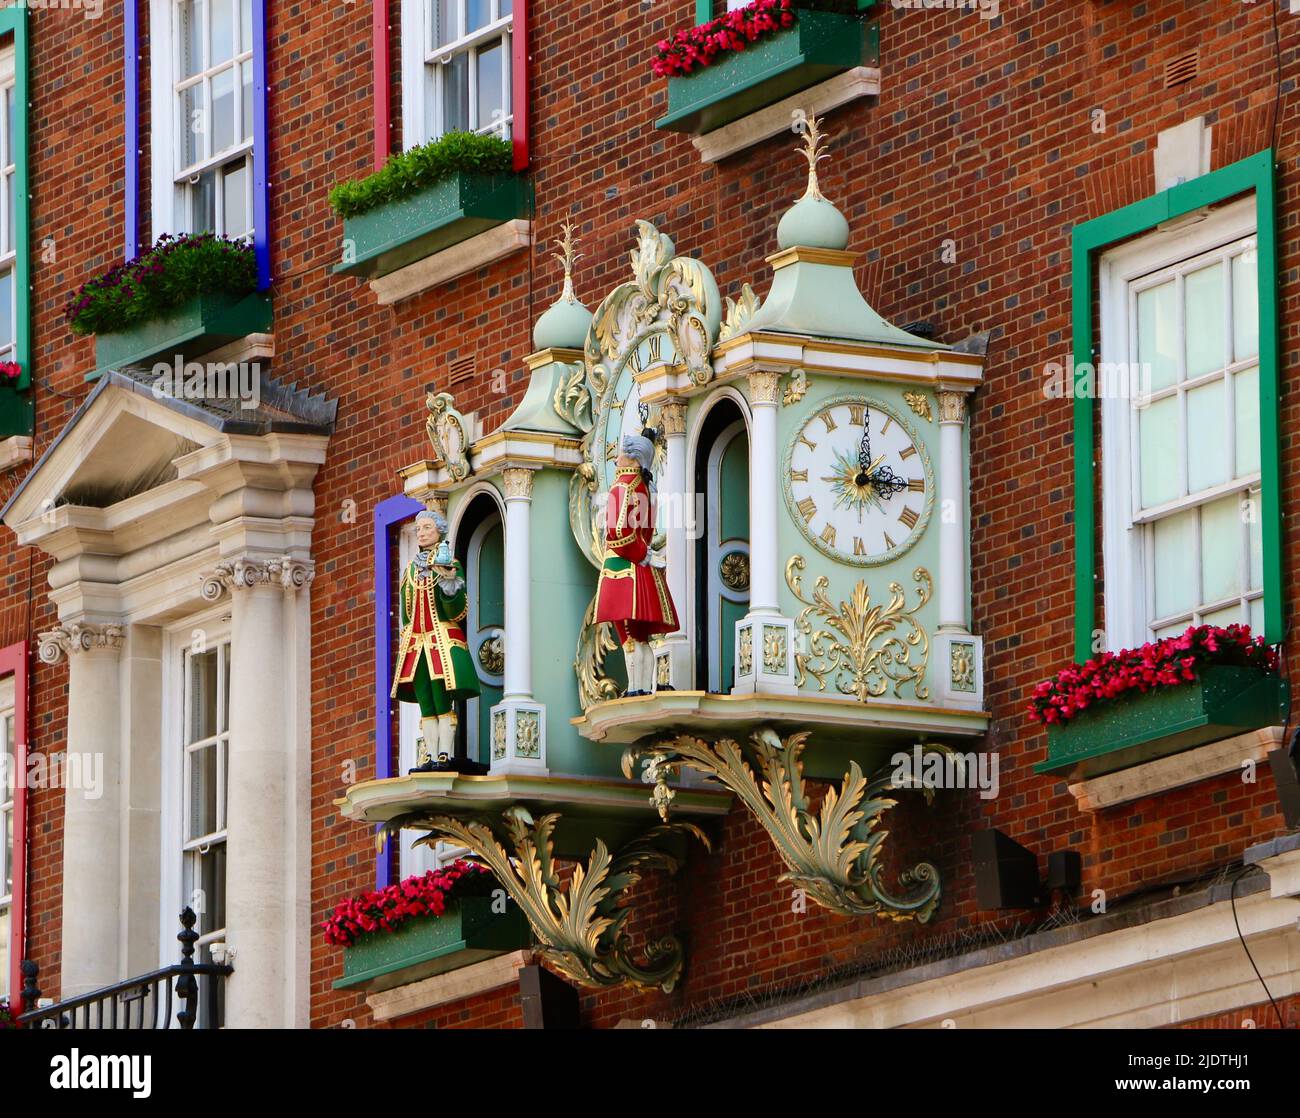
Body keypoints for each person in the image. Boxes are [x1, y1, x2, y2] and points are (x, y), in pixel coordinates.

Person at [391, 508, 483, 771]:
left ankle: (445, 753)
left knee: (443, 700)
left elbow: (458, 610)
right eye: (419, 529)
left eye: (427, 528)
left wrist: (450, 585)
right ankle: (430, 755)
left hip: (442, 642)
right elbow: (406, 614)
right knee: (426, 702)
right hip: (416, 645)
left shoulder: (448, 564)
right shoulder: (410, 570)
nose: (421, 533)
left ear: (439, 531)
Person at [594, 430, 678, 697]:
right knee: (642, 638)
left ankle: (635, 689)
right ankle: (643, 687)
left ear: (633, 459)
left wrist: (640, 553)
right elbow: (645, 530)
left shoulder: (622, 486)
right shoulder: (646, 488)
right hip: (642, 569)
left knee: (628, 636)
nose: (616, 459)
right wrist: (646, 554)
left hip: (623, 567)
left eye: (621, 454)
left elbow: (617, 533)